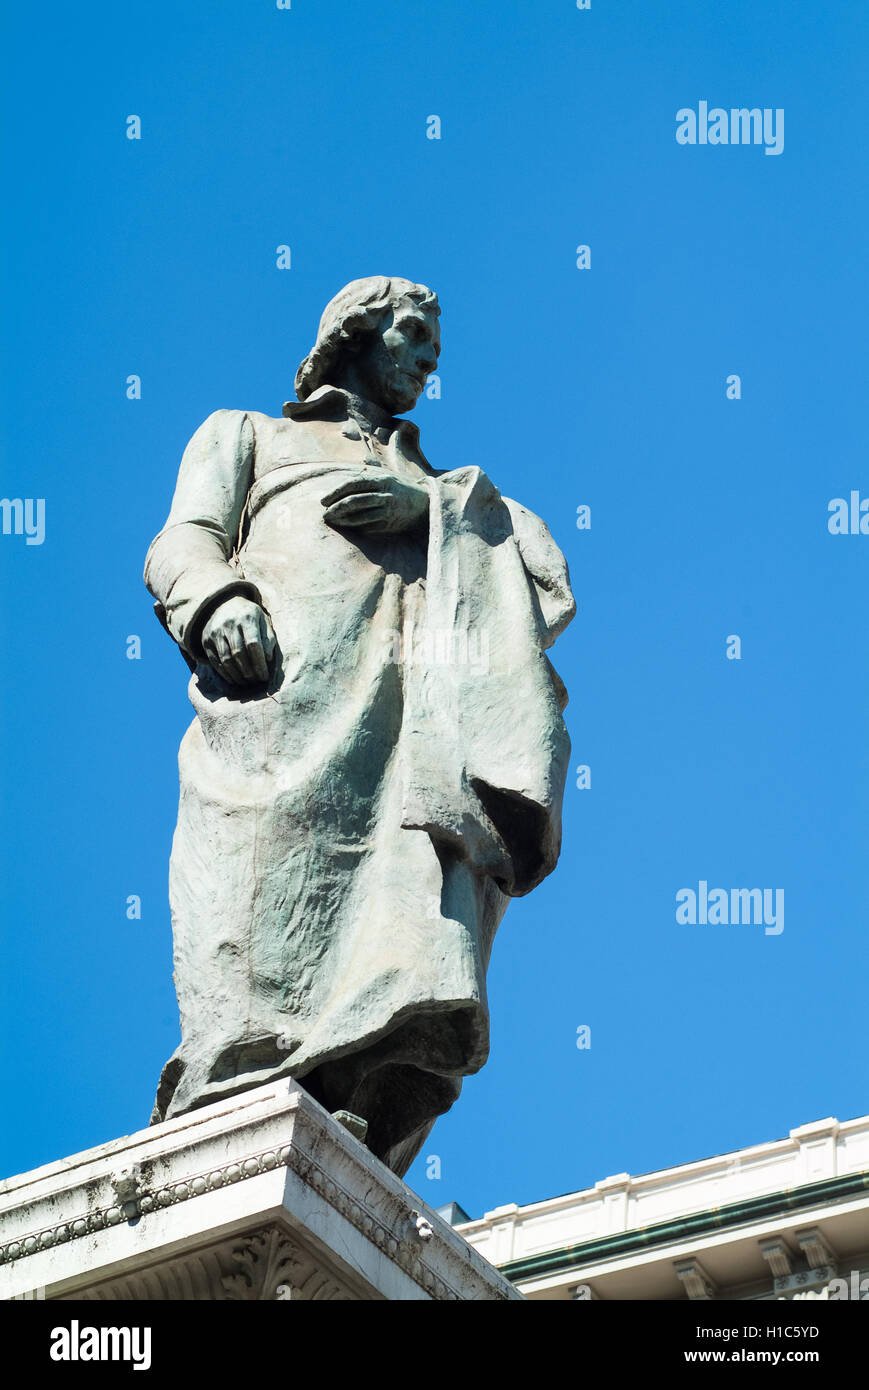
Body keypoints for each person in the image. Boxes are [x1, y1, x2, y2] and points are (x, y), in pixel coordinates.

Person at [145, 276, 575, 1175]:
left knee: (406, 911)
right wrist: (215, 600)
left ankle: (351, 1104)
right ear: (353, 332)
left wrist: (431, 514)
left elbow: (540, 565)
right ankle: (237, 1093)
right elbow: (180, 541)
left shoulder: (437, 483)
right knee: (257, 900)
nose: (426, 359)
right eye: (412, 334)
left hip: (411, 732)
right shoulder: (248, 434)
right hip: (281, 703)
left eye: (435, 349)